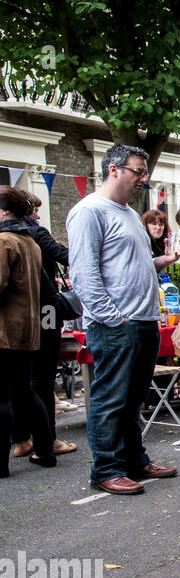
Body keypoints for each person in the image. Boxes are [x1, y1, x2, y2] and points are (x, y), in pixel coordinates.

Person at [66, 145, 178, 495]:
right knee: (111, 398)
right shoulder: (89, 211)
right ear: (114, 170)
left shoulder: (129, 213)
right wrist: (114, 318)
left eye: (145, 173)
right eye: (138, 172)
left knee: (133, 397)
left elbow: (132, 263)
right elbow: (83, 274)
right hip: (117, 324)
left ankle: (134, 460)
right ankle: (106, 469)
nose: (144, 180)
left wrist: (162, 262)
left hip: (143, 321)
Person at [9, 189, 76, 460]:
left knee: (19, 380)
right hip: (45, 310)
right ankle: (49, 438)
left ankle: (22, 438)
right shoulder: (36, 234)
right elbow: (65, 255)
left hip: (18, 316)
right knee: (43, 375)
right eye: (34, 208)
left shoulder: (8, 238)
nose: (37, 213)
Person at [0, 186, 56, 476]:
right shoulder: (30, 241)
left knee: (3, 395)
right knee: (23, 389)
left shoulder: (5, 241)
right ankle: (45, 449)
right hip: (27, 330)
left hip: (5, 331)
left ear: (5, 211)